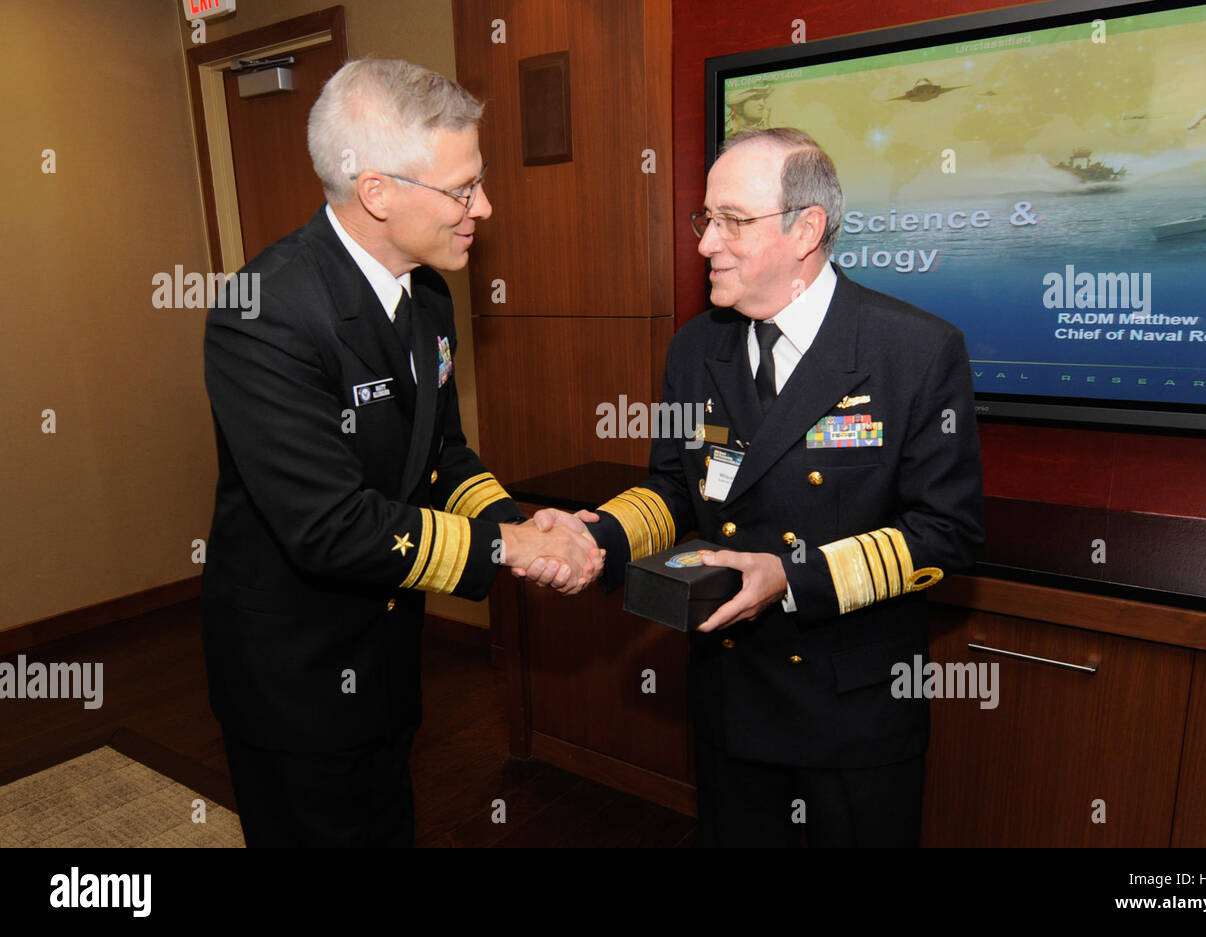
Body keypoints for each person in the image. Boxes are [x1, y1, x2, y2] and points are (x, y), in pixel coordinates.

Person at [523, 127, 984, 846]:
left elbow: (945, 534)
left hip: (853, 716)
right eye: (705, 219)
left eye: (733, 221)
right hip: (731, 697)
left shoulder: (915, 351)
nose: (706, 242)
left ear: (807, 230)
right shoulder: (695, 347)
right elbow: (674, 487)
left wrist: (790, 577)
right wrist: (599, 537)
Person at [201, 58, 601, 847]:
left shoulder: (428, 295)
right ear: (377, 191)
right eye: (462, 190)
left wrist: (513, 523)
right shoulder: (265, 312)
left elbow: (442, 451)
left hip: (384, 657)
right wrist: (513, 547)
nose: (482, 207)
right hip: (295, 678)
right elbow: (330, 527)